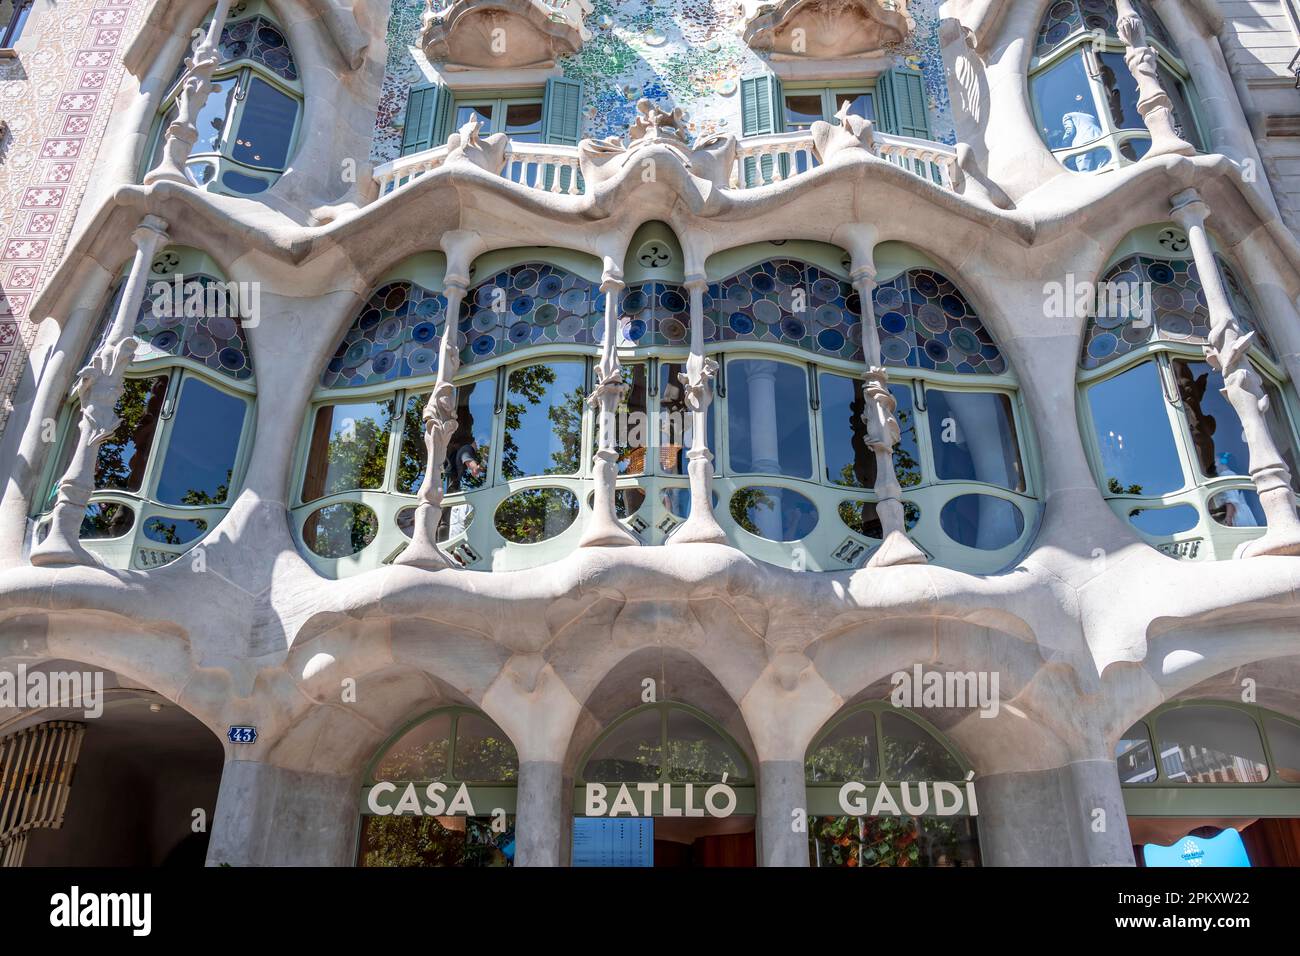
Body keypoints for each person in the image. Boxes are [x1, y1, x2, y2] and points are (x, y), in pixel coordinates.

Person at [446, 438, 484, 539]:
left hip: (462, 497)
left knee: (457, 528)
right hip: (466, 497)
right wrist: (476, 468)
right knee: (461, 529)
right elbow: (472, 465)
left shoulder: (462, 451)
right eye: (476, 442)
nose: (478, 444)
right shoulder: (467, 448)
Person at [1212, 452, 1260, 528]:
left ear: (1223, 461)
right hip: (1242, 514)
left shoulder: (1226, 475)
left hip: (1236, 515)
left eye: (1215, 460)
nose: (1214, 463)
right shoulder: (1231, 474)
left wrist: (1229, 517)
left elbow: (1231, 499)